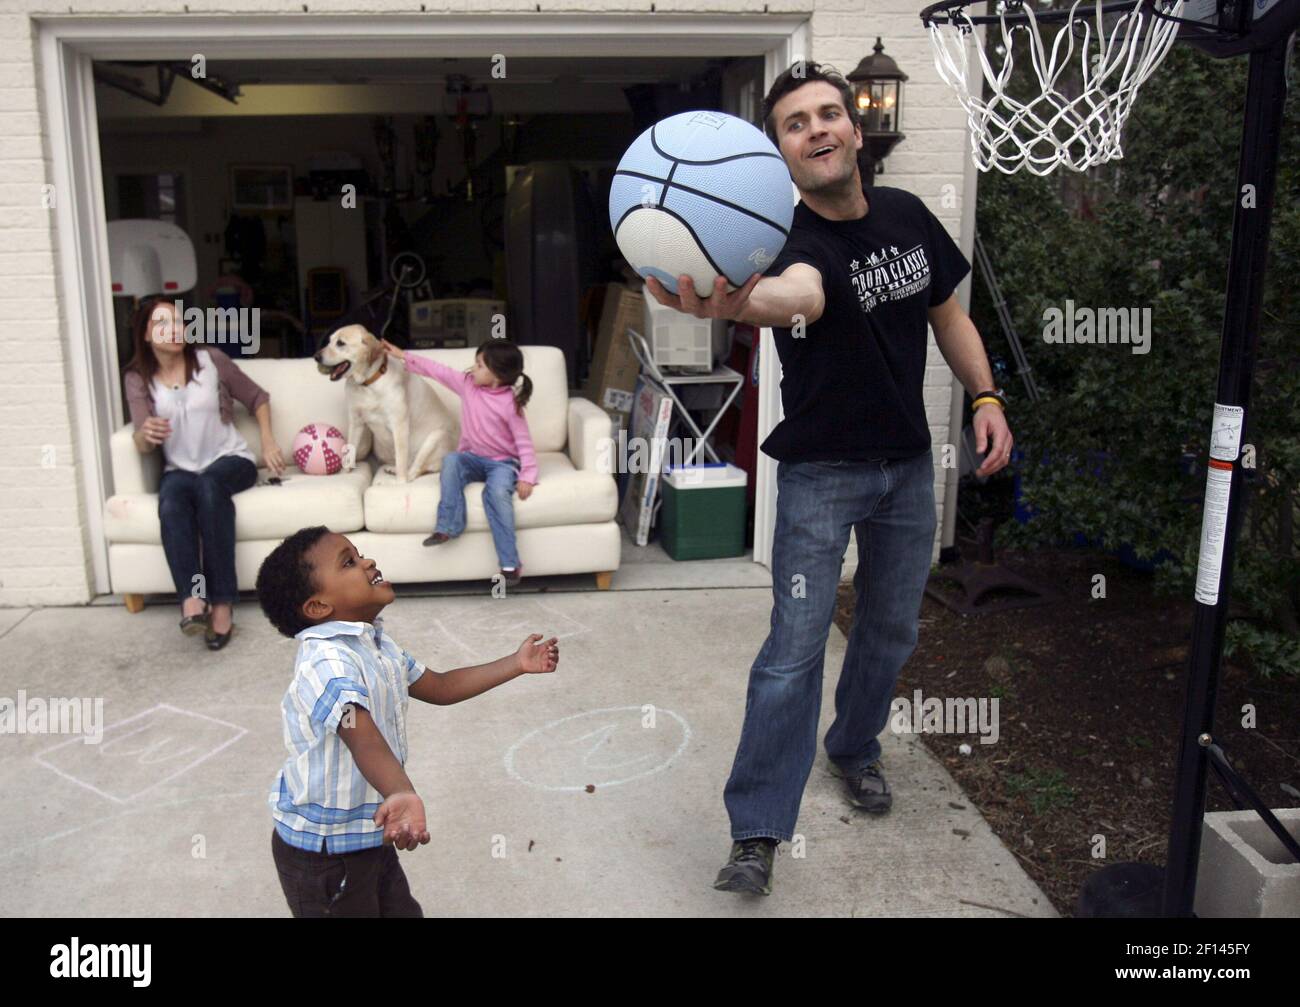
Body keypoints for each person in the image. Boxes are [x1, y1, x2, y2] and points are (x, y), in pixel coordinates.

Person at [645, 62, 1015, 896]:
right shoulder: (782, 241)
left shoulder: (909, 216)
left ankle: (853, 746)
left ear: (854, 129)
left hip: (908, 469)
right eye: (795, 123)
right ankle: (758, 830)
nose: (816, 129)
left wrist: (985, 395)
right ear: (780, 152)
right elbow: (794, 297)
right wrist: (735, 306)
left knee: (890, 632)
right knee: (792, 652)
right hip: (820, 473)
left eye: (828, 115)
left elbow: (948, 312)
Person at [256, 525, 559, 917]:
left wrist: (515, 664)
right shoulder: (328, 662)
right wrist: (400, 790)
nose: (367, 562)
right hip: (325, 855)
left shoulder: (377, 645)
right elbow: (359, 732)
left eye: (359, 553)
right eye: (349, 562)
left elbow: (441, 687)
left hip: (371, 833)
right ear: (318, 607)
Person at [122, 296, 285, 650]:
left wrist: (269, 443)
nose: (175, 329)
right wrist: (143, 435)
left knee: (209, 488)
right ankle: (193, 600)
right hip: (180, 468)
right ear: (146, 334)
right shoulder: (137, 378)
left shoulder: (211, 360)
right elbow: (141, 439)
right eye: (162, 323)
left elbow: (257, 397)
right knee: (171, 503)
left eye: (178, 321)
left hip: (230, 460)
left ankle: (222, 605)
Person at [379, 338, 538, 588]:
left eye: (480, 365)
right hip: (472, 458)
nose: (473, 368)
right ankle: (449, 526)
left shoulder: (510, 404)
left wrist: (527, 476)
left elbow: (524, 443)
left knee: (496, 494)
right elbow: (437, 371)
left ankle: (510, 565)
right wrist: (402, 355)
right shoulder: (468, 385)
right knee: (451, 460)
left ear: (497, 374)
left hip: (502, 464)